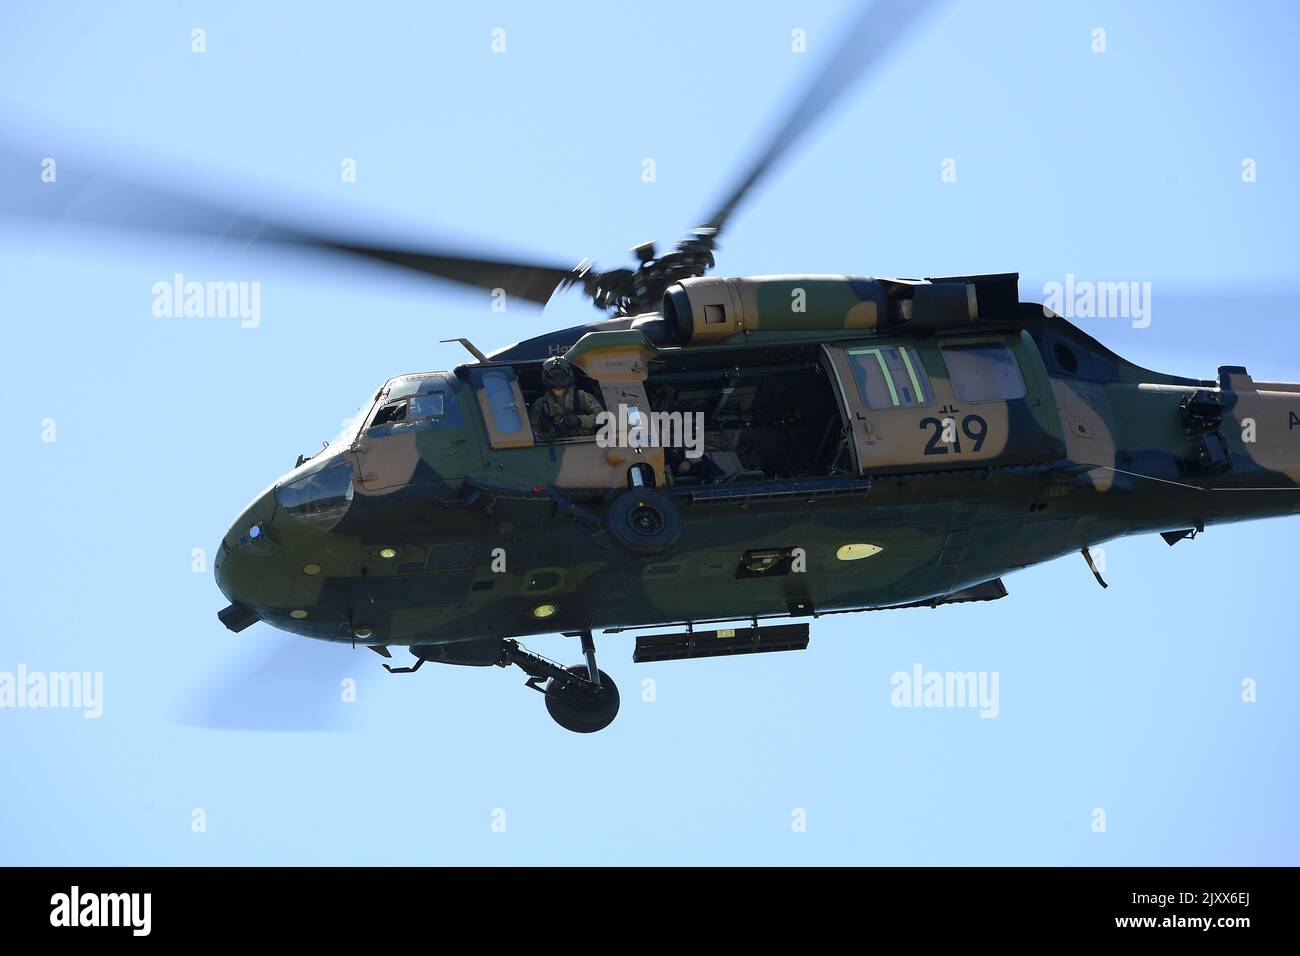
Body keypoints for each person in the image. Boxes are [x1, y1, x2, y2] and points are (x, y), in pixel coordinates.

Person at [529, 356, 603, 440]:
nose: (558, 377)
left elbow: (603, 417)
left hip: (584, 442)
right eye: (553, 373)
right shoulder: (541, 403)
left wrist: (580, 420)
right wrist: (544, 436)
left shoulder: (581, 396)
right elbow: (532, 429)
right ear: (545, 376)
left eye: (562, 373)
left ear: (569, 374)